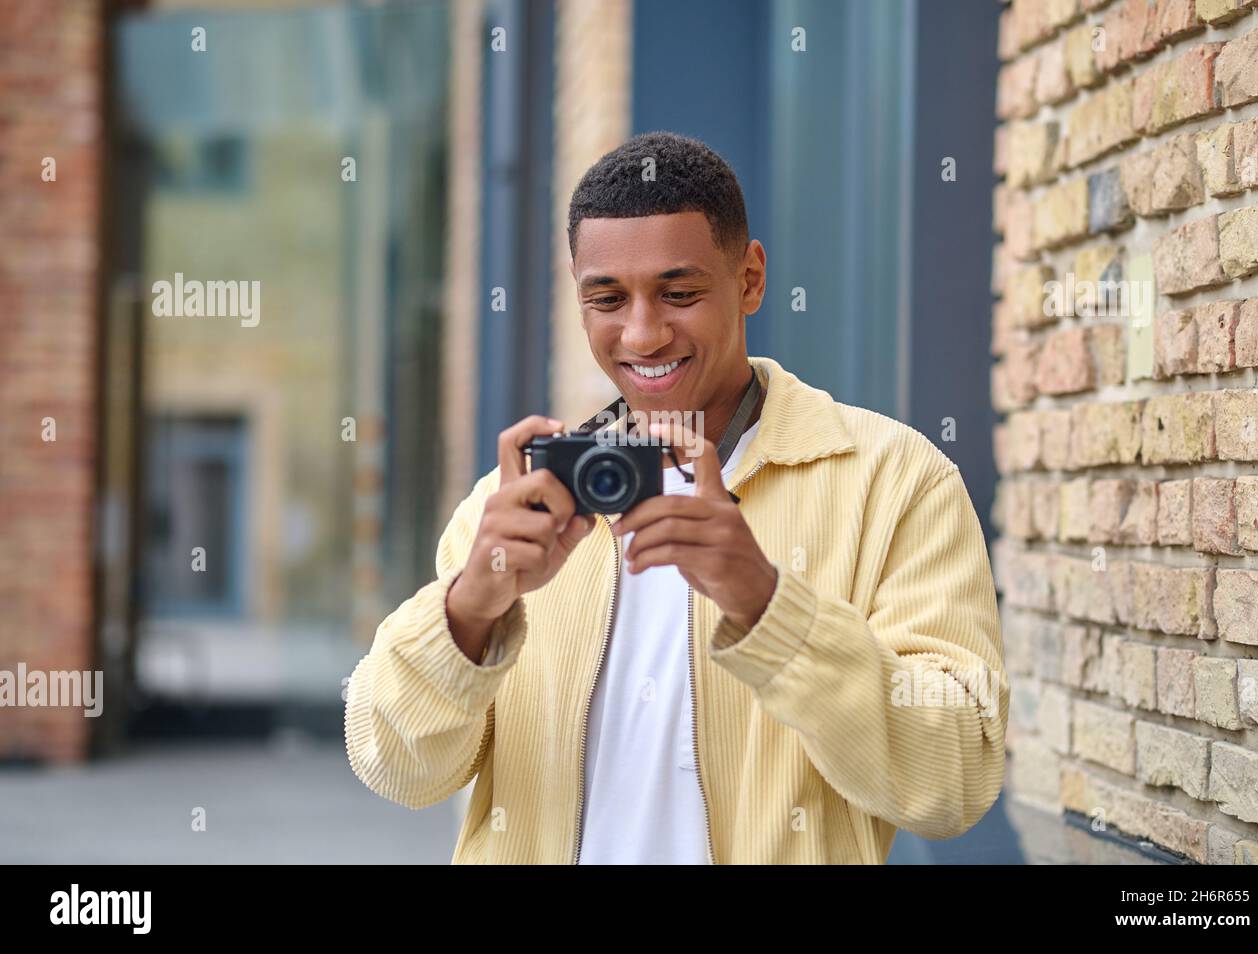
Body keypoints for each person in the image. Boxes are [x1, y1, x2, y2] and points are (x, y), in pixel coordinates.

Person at [344, 131, 1008, 864]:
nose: (642, 333)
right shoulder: (512, 507)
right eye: (606, 298)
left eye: (679, 293)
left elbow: (955, 779)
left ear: (750, 279)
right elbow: (398, 770)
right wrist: (469, 609)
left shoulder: (896, 481)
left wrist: (765, 603)